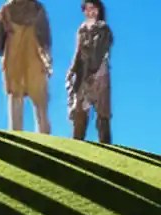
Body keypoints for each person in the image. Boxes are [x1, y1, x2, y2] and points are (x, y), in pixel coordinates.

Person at [0, 0, 52, 134]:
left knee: (39, 98)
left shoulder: (37, 8)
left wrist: (47, 58)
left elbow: (44, 36)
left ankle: (45, 140)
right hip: (14, 58)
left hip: (33, 56)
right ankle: (16, 137)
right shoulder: (7, 10)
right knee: (16, 96)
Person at [65, 0, 113, 143]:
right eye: (87, 9)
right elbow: (78, 52)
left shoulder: (103, 28)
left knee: (102, 114)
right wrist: (72, 70)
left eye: (93, 8)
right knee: (79, 112)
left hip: (100, 75)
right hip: (83, 74)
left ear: (98, 10)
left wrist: (93, 70)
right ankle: (77, 146)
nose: (90, 11)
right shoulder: (81, 29)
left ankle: (107, 149)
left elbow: (100, 50)